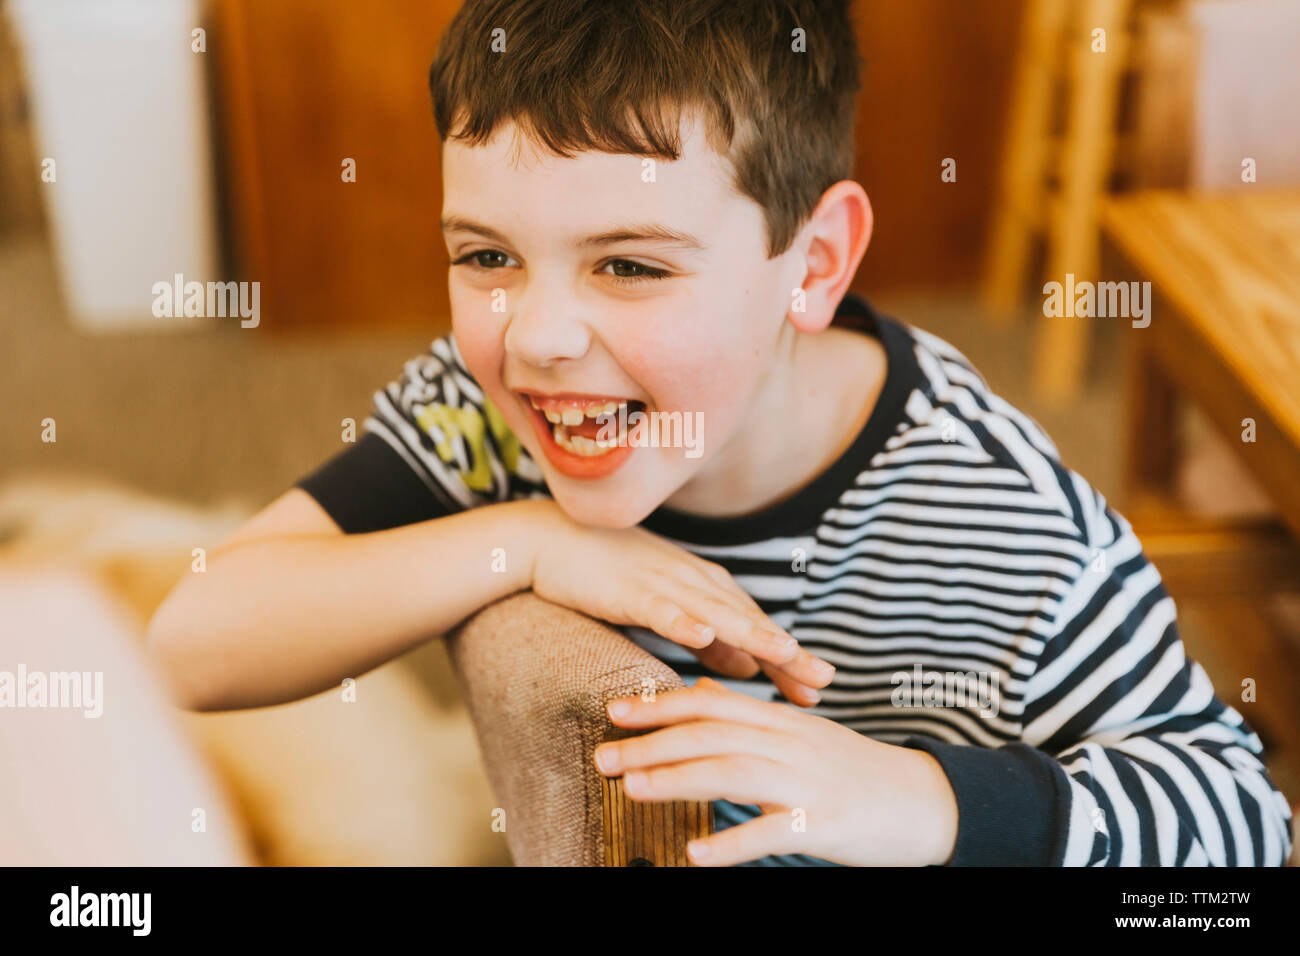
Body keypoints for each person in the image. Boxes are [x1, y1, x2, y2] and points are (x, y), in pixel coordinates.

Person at [148, 0, 1293, 866]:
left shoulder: (1008, 527)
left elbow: (1243, 828)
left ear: (814, 264)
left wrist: (926, 798)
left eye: (631, 264)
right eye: (485, 255)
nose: (538, 337)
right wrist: (524, 541)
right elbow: (192, 639)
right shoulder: (477, 406)